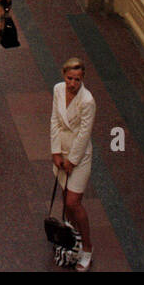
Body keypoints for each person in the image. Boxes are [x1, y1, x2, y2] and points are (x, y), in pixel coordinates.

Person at [51, 56, 96, 271]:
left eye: (77, 79)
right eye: (70, 78)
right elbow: (54, 120)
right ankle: (72, 239)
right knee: (64, 196)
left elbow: (84, 135)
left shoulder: (87, 101)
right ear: (64, 76)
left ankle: (87, 247)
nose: (73, 84)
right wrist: (55, 151)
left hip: (79, 157)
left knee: (73, 202)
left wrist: (72, 160)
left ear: (83, 78)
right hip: (62, 153)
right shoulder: (58, 90)